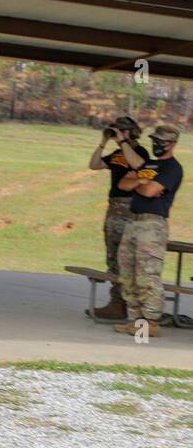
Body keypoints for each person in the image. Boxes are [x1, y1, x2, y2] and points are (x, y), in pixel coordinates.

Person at [114, 124, 183, 337]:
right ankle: (136, 321)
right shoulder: (150, 164)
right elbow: (123, 184)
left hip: (152, 225)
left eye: (161, 142)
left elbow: (150, 189)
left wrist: (141, 181)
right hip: (133, 222)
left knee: (147, 275)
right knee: (128, 273)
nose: (156, 144)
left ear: (172, 144)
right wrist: (141, 180)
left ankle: (150, 322)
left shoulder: (172, 168)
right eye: (154, 140)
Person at [86, 116, 147, 319]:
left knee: (127, 258)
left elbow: (138, 166)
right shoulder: (117, 154)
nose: (117, 132)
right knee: (112, 257)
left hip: (130, 208)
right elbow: (94, 165)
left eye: (121, 129)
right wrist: (104, 142)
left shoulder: (139, 151)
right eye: (116, 130)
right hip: (114, 208)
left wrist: (123, 141)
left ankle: (132, 305)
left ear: (131, 131)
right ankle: (116, 303)